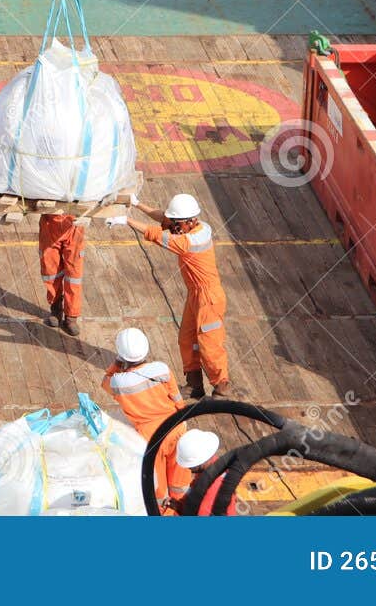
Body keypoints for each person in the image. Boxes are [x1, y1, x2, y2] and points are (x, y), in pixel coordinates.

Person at [125, 192, 231, 399]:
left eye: (178, 223)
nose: (175, 226)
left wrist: (126, 220)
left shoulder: (189, 242)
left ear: (191, 221)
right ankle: (194, 385)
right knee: (187, 338)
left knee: (210, 342)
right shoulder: (194, 228)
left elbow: (157, 234)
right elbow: (165, 220)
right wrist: (137, 204)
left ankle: (222, 386)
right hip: (196, 294)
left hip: (208, 297)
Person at [102, 327, 188, 506]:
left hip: (150, 438)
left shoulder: (119, 383)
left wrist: (117, 363)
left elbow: (105, 381)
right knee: (180, 480)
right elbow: (178, 400)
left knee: (158, 488)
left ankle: (164, 513)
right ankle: (184, 509)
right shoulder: (161, 370)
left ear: (122, 354)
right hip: (176, 427)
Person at [38, 211, 87, 337]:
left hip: (74, 226)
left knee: (74, 275)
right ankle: (56, 308)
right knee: (50, 271)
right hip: (50, 225)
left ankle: (71, 317)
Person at [169, 429, 237, 515]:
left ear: (201, 461)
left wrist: (181, 509)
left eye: (191, 465)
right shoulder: (213, 466)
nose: (189, 468)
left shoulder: (211, 491)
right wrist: (180, 506)